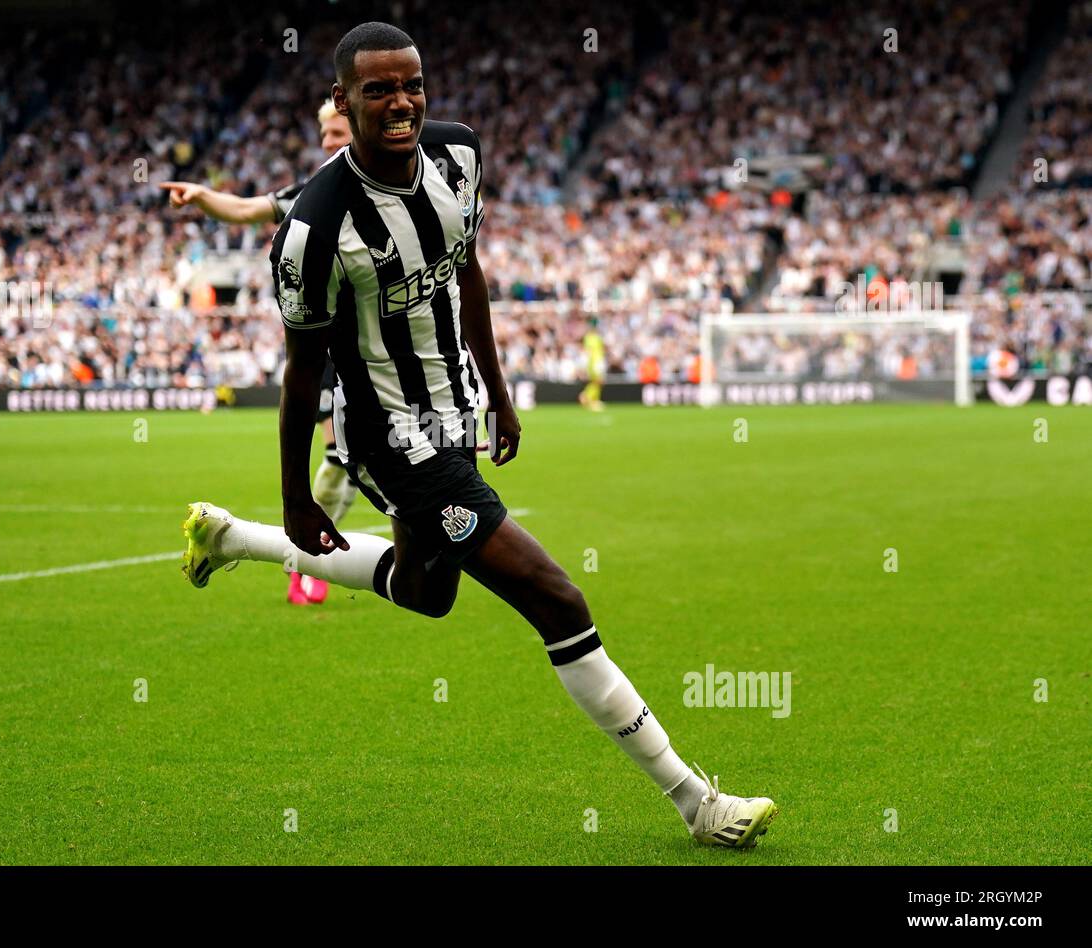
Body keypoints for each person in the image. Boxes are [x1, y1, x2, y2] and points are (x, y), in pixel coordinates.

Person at [180, 22, 777, 847]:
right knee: (557, 598)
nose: (401, 102)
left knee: (428, 593)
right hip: (397, 443)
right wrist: (293, 492)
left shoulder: (459, 158)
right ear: (344, 105)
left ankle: (230, 537)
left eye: (412, 84)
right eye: (378, 90)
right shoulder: (316, 229)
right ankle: (695, 799)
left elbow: (467, 271)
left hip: (455, 411)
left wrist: (497, 389)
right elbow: (301, 372)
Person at [160, 100, 356, 605]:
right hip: (336, 344)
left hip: (383, 348)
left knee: (364, 465)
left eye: (339, 131)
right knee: (343, 454)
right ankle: (307, 558)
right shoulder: (313, 193)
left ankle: (296, 552)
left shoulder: (394, 184)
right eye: (326, 134)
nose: (330, 142)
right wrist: (204, 196)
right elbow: (248, 209)